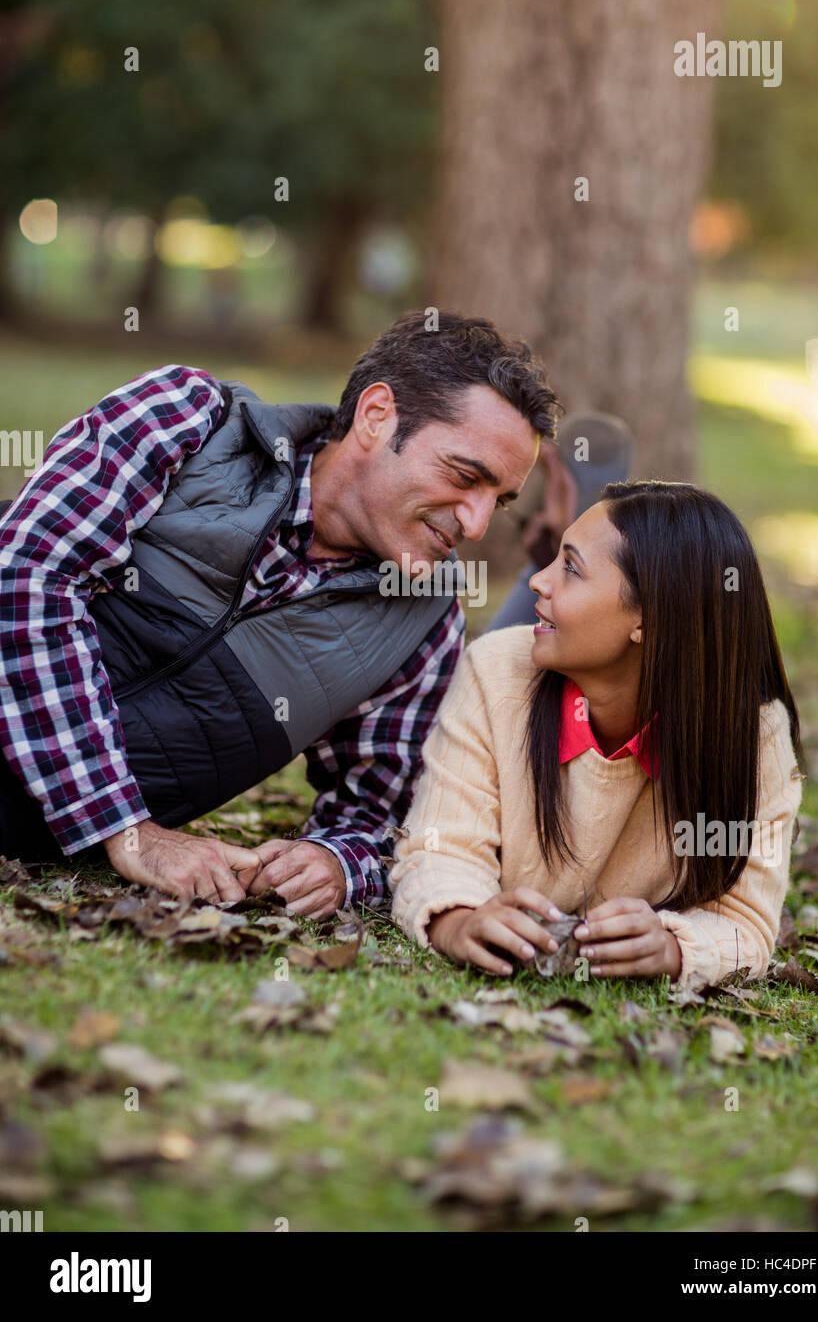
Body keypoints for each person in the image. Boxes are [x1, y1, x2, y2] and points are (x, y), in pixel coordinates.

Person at [0, 311, 559, 915]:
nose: (475, 525)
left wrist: (338, 865)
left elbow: (385, 814)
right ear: (376, 417)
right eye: (463, 476)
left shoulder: (421, 625)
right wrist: (122, 824)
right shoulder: (188, 417)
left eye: (497, 501)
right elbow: (28, 578)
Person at [389, 481, 805, 991]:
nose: (538, 581)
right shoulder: (495, 672)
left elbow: (744, 922)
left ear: (649, 618)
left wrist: (675, 948)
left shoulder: (754, 738)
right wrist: (458, 919)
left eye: (571, 567)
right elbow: (441, 849)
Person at [483, 412, 634, 633]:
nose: (543, 515)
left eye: (557, 486)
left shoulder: (600, 584)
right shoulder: (558, 562)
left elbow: (489, 656)